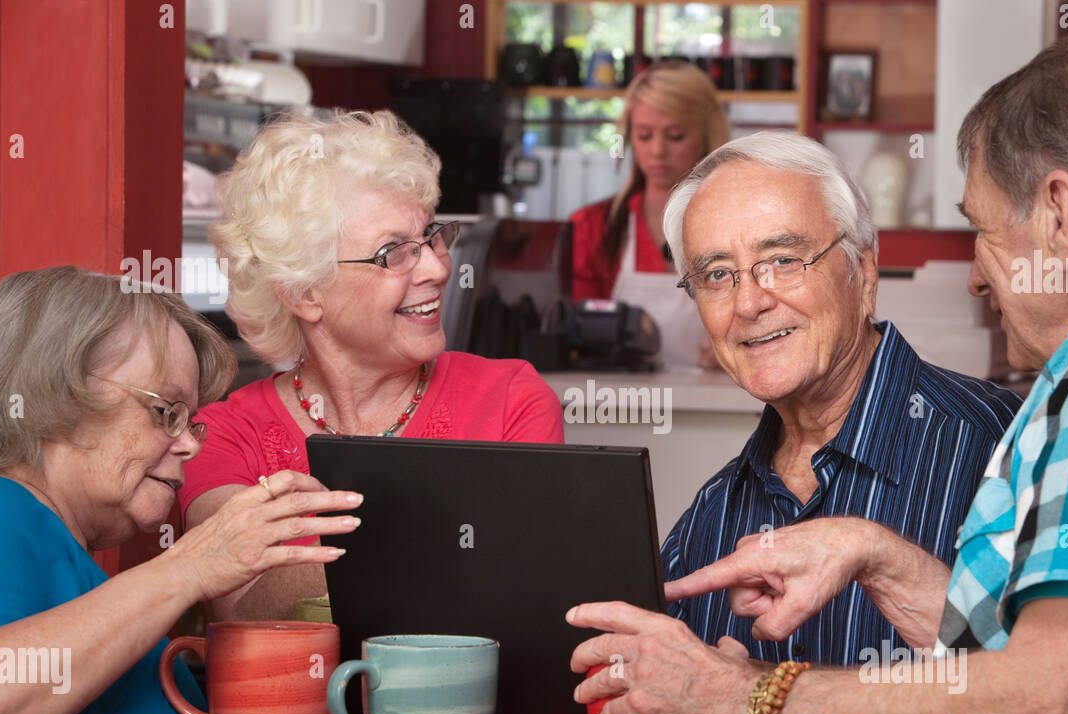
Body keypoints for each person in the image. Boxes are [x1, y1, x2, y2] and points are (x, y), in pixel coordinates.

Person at [567, 36, 1068, 714]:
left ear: (1061, 215)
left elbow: (1055, 707)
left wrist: (746, 699)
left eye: (984, 229)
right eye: (716, 275)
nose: (974, 273)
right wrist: (882, 557)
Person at [0, 267, 362, 714]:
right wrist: (188, 568)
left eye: (191, 420)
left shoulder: (53, 544)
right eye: (164, 412)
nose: (189, 446)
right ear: (56, 394)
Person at [658, 131, 1022, 668]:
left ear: (865, 272)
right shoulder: (711, 515)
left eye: (783, 260)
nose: (750, 302)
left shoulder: (1001, 446)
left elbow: (1051, 701)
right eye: (716, 275)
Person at [183, 110, 565, 621]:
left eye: (431, 236)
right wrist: (450, 544)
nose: (436, 268)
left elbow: (523, 588)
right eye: (393, 254)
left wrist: (306, 552)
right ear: (304, 292)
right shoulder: (223, 435)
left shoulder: (511, 398)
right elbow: (242, 601)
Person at [570, 61, 729, 367]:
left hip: (720, 405)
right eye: (644, 135)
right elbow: (574, 333)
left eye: (675, 135)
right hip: (617, 405)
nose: (657, 150)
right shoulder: (594, 229)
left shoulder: (740, 225)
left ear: (706, 135)